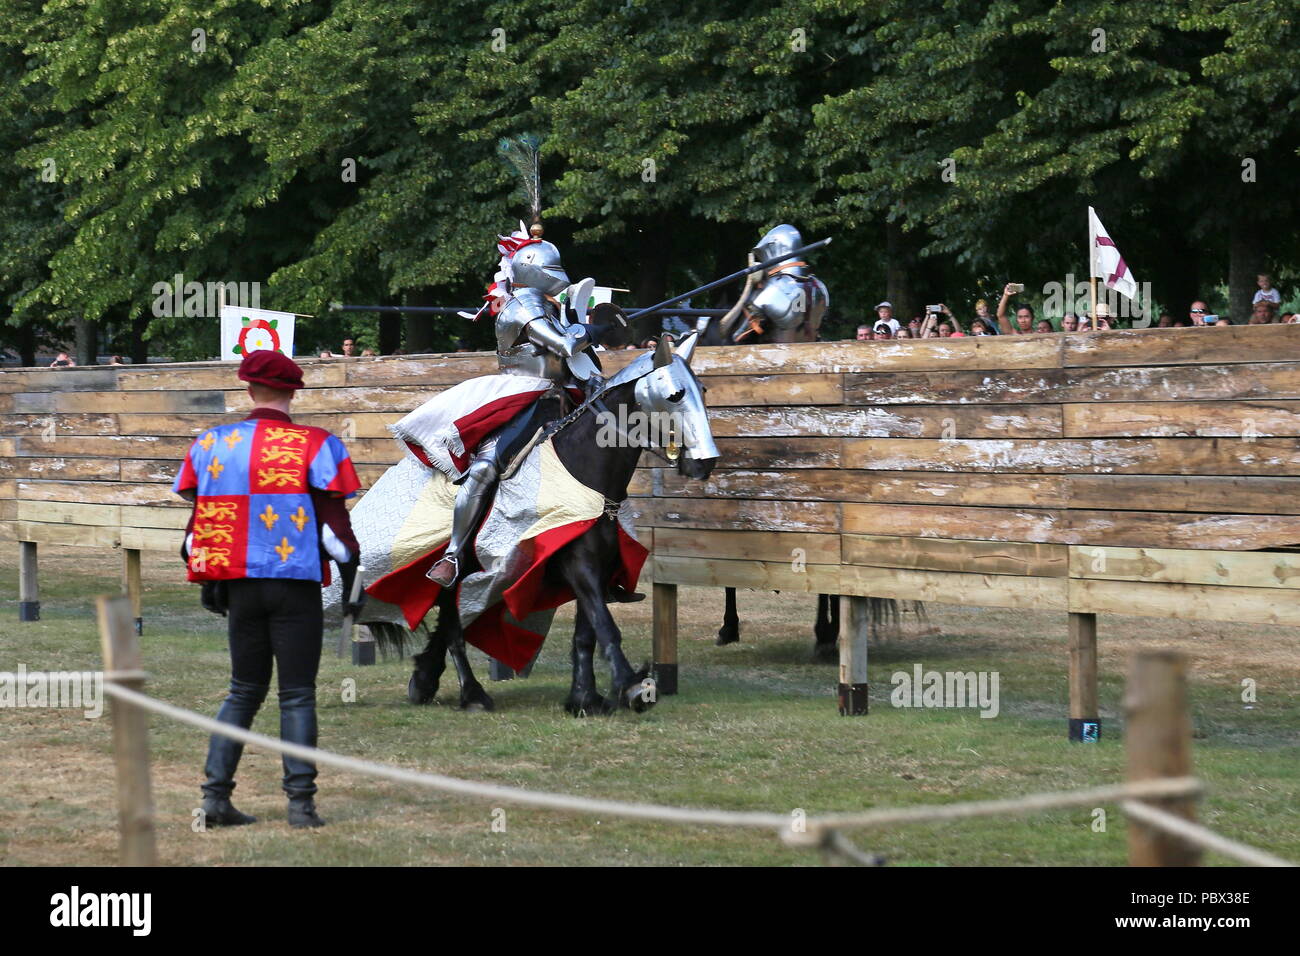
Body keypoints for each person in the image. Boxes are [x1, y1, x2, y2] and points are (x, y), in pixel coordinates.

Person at [174, 350, 362, 829]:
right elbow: (337, 538)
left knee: (242, 690)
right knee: (297, 695)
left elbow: (195, 531)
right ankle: (301, 807)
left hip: (238, 586)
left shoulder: (210, 443)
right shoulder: (317, 445)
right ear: (293, 391)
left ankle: (214, 799)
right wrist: (352, 572)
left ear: (248, 387)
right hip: (293, 585)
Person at [425, 224, 607, 587]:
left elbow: (570, 356)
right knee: (485, 467)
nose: (559, 277)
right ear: (532, 271)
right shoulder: (524, 308)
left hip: (559, 394)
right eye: (552, 270)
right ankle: (454, 554)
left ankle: (604, 562)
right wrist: (591, 332)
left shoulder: (547, 306)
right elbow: (566, 346)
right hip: (523, 397)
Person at [716, 224, 828, 344]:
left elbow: (738, 336)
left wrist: (750, 286)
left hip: (777, 358)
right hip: (810, 354)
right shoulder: (819, 287)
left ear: (773, 249)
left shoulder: (774, 289)